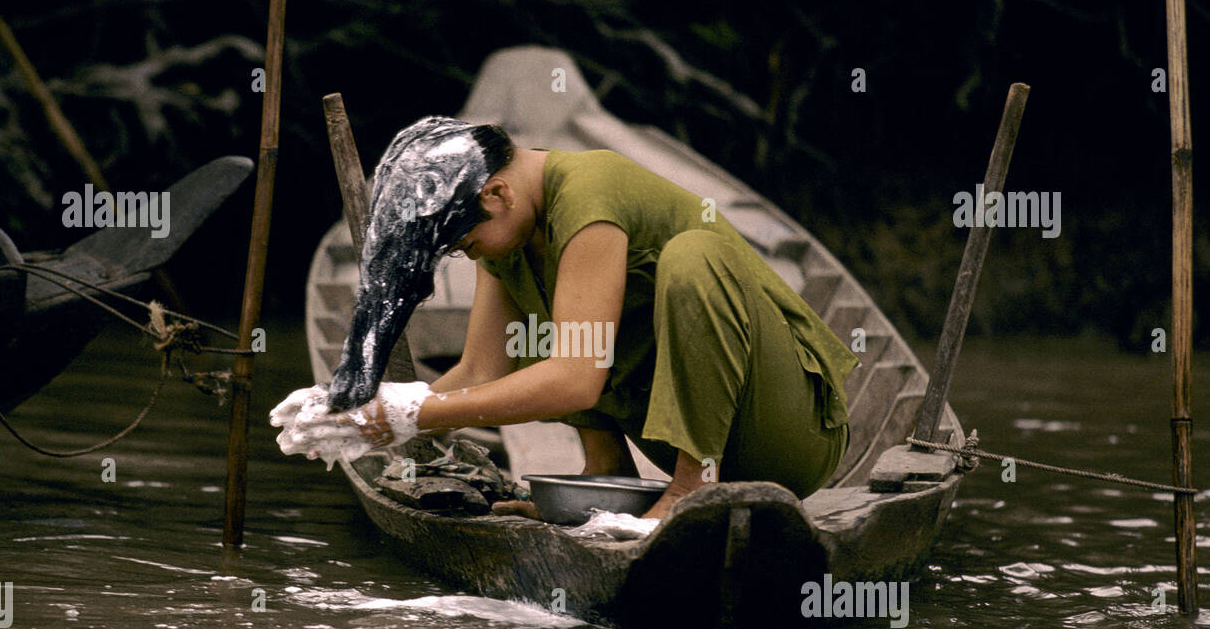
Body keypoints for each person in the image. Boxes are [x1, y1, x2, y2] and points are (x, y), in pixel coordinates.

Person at [315, 116, 858, 519]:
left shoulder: (589, 192)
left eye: (460, 241)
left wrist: (412, 415)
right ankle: (605, 473)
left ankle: (692, 489)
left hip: (787, 436)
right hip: (683, 437)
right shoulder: (509, 236)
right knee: (559, 315)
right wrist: (353, 419)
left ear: (496, 193)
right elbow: (480, 374)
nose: (464, 254)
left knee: (694, 258)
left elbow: (576, 379)